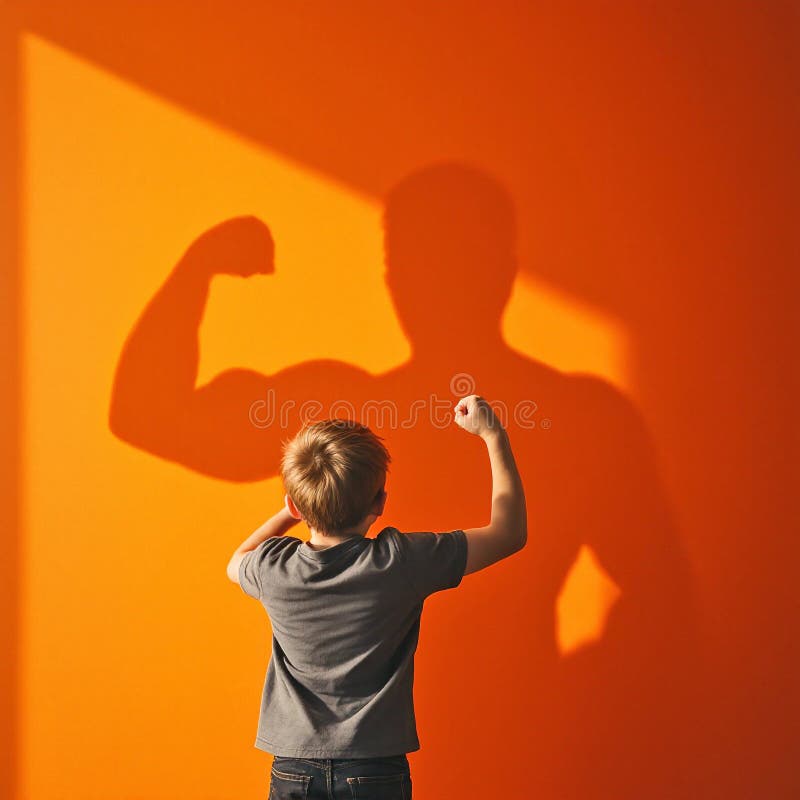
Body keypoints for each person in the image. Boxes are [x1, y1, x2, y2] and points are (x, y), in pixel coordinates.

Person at [226, 394, 527, 799]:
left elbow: (236, 561)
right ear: (379, 503)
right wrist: (493, 436)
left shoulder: (275, 569)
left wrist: (290, 512)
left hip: (293, 766)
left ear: (297, 504)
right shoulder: (399, 562)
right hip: (374, 768)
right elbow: (509, 533)